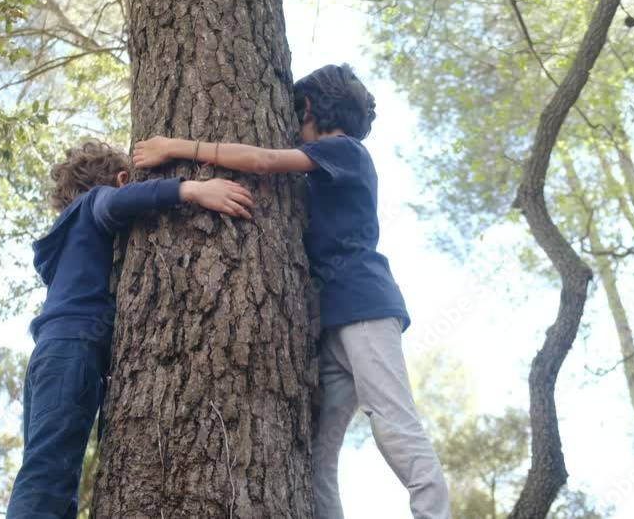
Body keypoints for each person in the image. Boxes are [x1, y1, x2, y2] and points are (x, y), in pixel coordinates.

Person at [132, 64, 451, 519]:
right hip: (333, 323)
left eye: (298, 120)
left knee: (393, 422)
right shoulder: (324, 172)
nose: (296, 131)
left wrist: (177, 148)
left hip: (364, 305)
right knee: (317, 458)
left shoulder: (346, 151)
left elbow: (263, 161)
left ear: (310, 109)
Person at [6, 140, 254, 519]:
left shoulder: (68, 242)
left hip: (53, 354)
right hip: (72, 349)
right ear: (124, 179)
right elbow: (117, 204)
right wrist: (192, 189)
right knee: (50, 472)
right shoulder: (96, 203)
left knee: (54, 470)